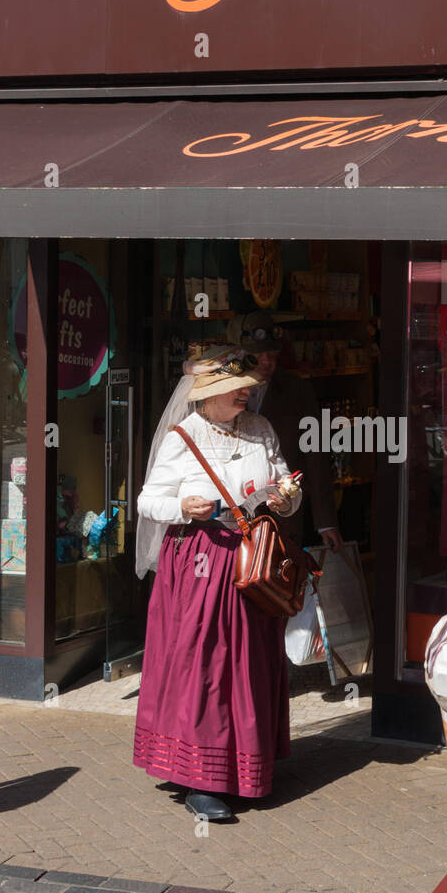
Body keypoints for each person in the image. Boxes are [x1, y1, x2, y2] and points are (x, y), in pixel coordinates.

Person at [133, 351, 302, 822]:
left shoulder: (262, 429)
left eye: (248, 384)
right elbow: (149, 501)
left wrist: (287, 495)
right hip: (200, 561)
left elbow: (284, 480)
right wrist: (184, 506)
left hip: (251, 556)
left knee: (249, 659)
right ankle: (196, 779)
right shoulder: (183, 436)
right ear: (207, 395)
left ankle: (244, 768)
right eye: (236, 385)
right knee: (203, 661)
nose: (246, 390)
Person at [228, 311, 343, 552]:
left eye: (271, 354)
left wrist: (326, 523)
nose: (266, 361)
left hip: (282, 513)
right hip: (232, 513)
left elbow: (316, 456)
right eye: (258, 355)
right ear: (240, 355)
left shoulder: (297, 391)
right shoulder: (222, 393)